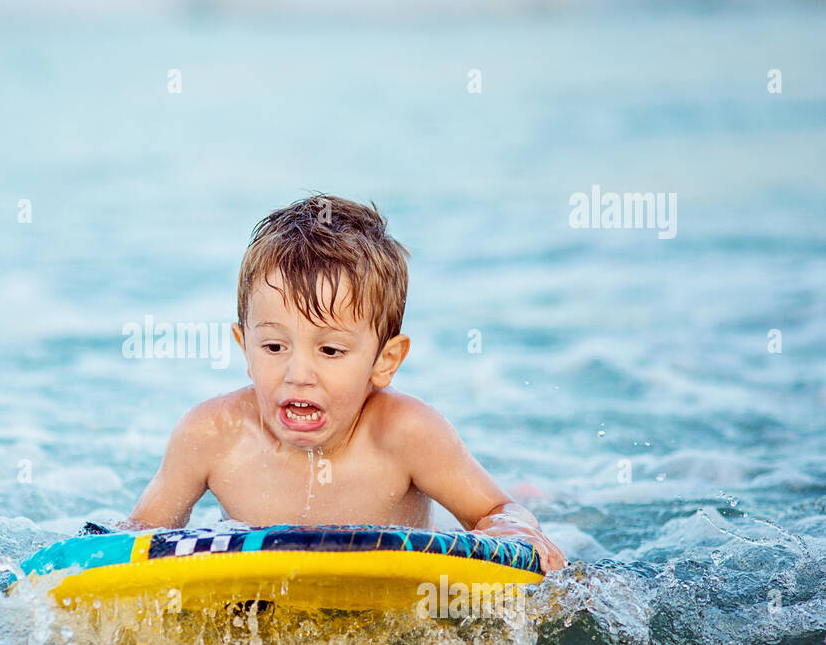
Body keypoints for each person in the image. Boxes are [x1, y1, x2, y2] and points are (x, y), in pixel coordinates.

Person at [127, 194, 567, 572]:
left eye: (330, 351)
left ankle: (550, 493)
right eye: (275, 347)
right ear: (244, 347)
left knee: (531, 499)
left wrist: (516, 526)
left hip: (398, 576)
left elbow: (494, 510)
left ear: (384, 361)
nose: (298, 374)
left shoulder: (405, 433)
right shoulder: (210, 435)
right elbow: (135, 539)